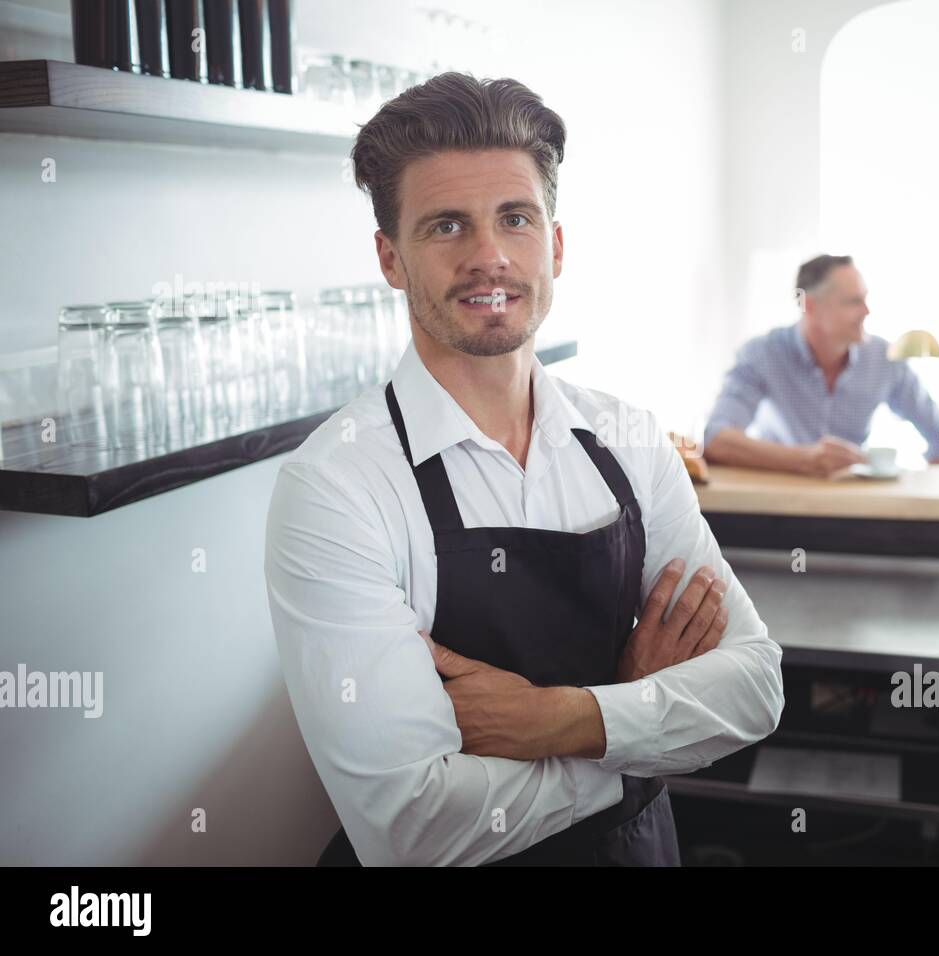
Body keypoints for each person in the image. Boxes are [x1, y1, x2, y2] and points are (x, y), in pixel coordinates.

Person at [264, 73, 783, 867]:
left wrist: (555, 719)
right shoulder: (337, 486)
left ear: (557, 243)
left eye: (516, 218)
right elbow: (412, 827)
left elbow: (753, 690)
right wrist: (632, 728)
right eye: (446, 226)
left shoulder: (630, 439)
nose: (490, 257)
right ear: (391, 259)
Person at [701, 254, 939, 477]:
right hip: (779, 505)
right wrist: (804, 460)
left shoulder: (885, 359)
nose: (867, 311)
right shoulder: (761, 354)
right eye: (853, 302)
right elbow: (716, 438)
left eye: (865, 299)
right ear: (810, 306)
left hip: (856, 508)